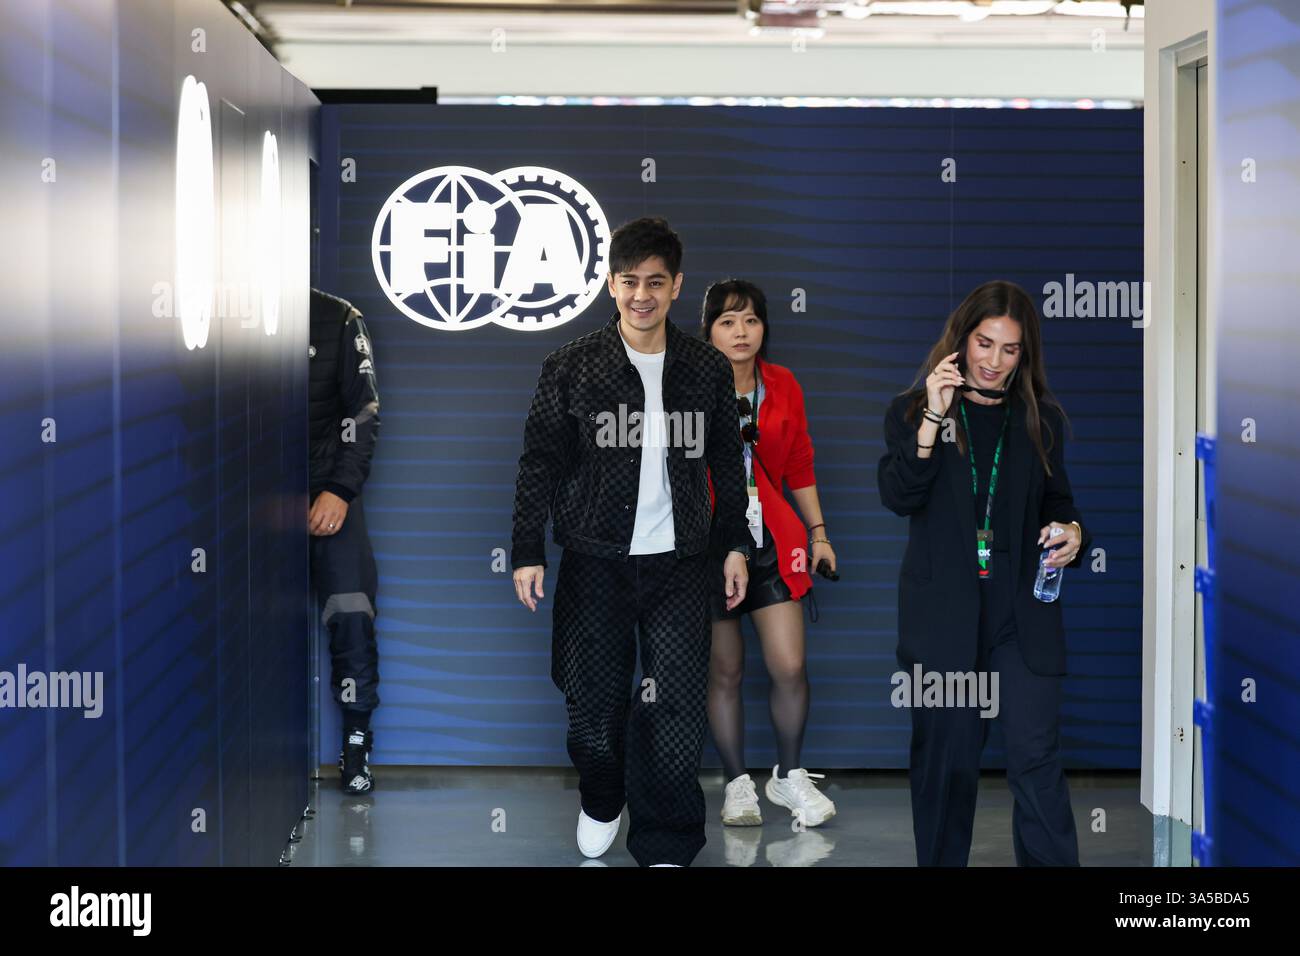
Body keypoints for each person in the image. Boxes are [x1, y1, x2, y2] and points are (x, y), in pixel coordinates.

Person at [510, 218, 752, 867]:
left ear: (675, 286)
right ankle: (601, 793)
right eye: (628, 282)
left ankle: (667, 836)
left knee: (673, 705)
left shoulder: (704, 368)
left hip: (680, 563)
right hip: (594, 559)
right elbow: (540, 461)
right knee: (592, 705)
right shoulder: (572, 365)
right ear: (611, 285)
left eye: (655, 282)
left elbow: (727, 460)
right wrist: (528, 548)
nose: (641, 294)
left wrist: (734, 544)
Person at [876, 279, 1089, 866]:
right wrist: (932, 418)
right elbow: (899, 494)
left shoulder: (1038, 420)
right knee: (946, 764)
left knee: (1035, 756)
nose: (994, 361)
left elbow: (1059, 504)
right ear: (962, 340)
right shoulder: (912, 411)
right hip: (944, 618)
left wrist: (1072, 533)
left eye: (1010, 349)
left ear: (1025, 355)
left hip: (1020, 616)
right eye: (984, 343)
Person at [699, 279, 839, 828]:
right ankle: (737, 785)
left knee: (790, 664)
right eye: (728, 321)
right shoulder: (687, 384)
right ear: (708, 329)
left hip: (773, 540)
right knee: (726, 669)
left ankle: (788, 777)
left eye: (751, 320)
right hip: (707, 545)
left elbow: (799, 462)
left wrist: (818, 532)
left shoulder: (782, 384)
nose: (741, 332)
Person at [309, 288, 382, 794]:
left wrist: (339, 490)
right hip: (244, 500)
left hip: (325, 493)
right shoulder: (224, 308)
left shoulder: (336, 318)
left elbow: (364, 411)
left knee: (352, 609)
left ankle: (356, 744)